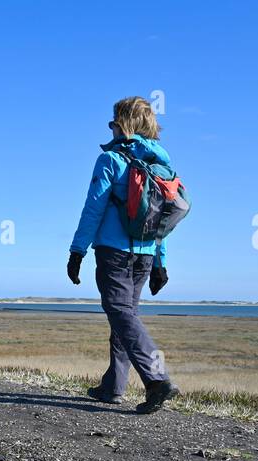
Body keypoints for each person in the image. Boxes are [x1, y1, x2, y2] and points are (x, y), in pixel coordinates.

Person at [67, 96, 180, 414]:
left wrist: (77, 251)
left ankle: (157, 380)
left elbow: (93, 209)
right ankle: (113, 386)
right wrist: (160, 260)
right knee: (124, 315)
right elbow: (162, 219)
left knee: (120, 313)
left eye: (115, 121)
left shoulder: (110, 161)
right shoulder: (163, 164)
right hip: (145, 255)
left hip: (114, 253)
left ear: (123, 124)